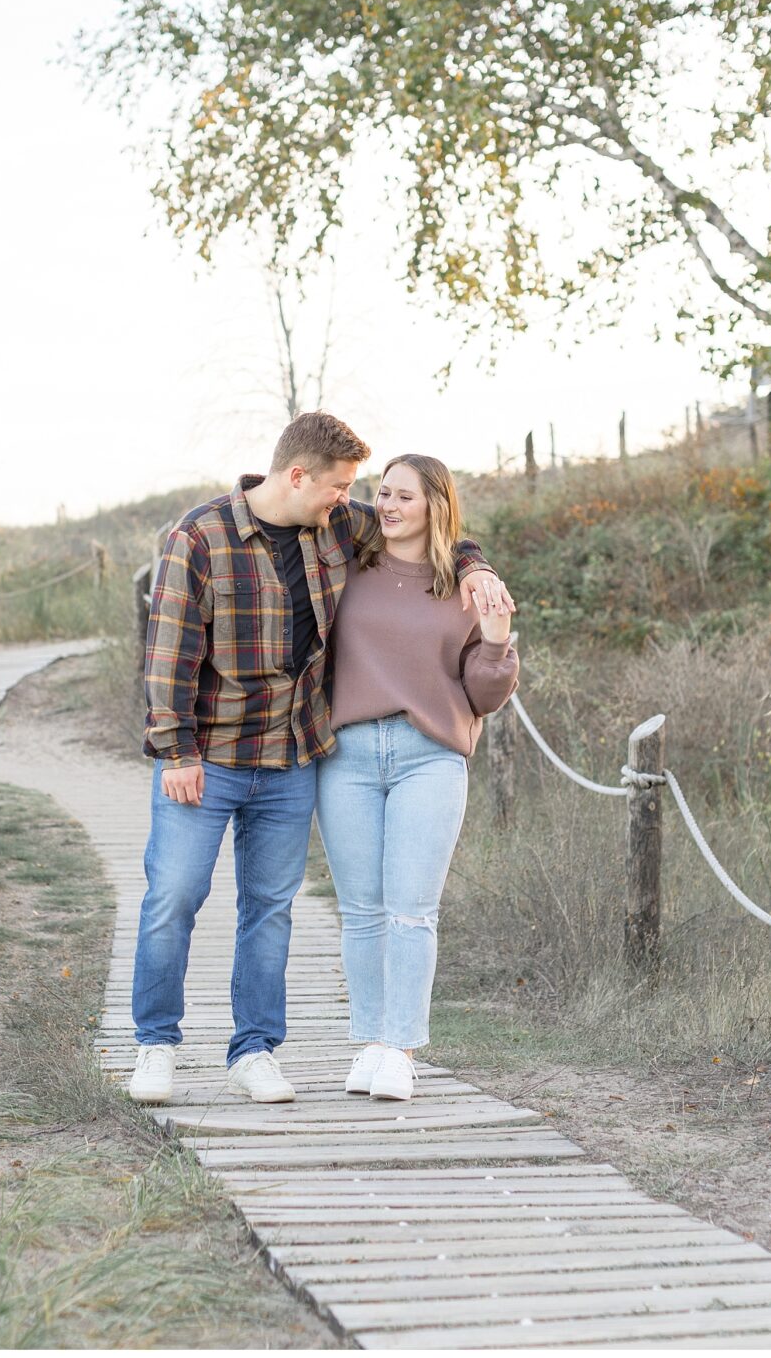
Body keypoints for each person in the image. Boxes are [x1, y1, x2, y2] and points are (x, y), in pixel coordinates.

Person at [128, 412, 510, 1107]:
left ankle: (255, 1051)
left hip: (290, 757)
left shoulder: (333, 526)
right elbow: (167, 651)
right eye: (342, 486)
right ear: (299, 476)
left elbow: (437, 523)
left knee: (270, 909)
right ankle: (155, 1045)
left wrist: (478, 568)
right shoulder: (201, 535)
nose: (354, 500)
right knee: (173, 896)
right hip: (205, 758)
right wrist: (175, 748)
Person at [317, 453, 519, 1103]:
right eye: (384, 493)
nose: (391, 505)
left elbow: (485, 695)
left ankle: (401, 1049)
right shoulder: (346, 563)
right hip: (346, 754)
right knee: (362, 912)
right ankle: (371, 1041)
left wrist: (494, 639)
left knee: (411, 910)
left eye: (406, 495)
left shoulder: (466, 586)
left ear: (436, 505)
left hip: (428, 757)